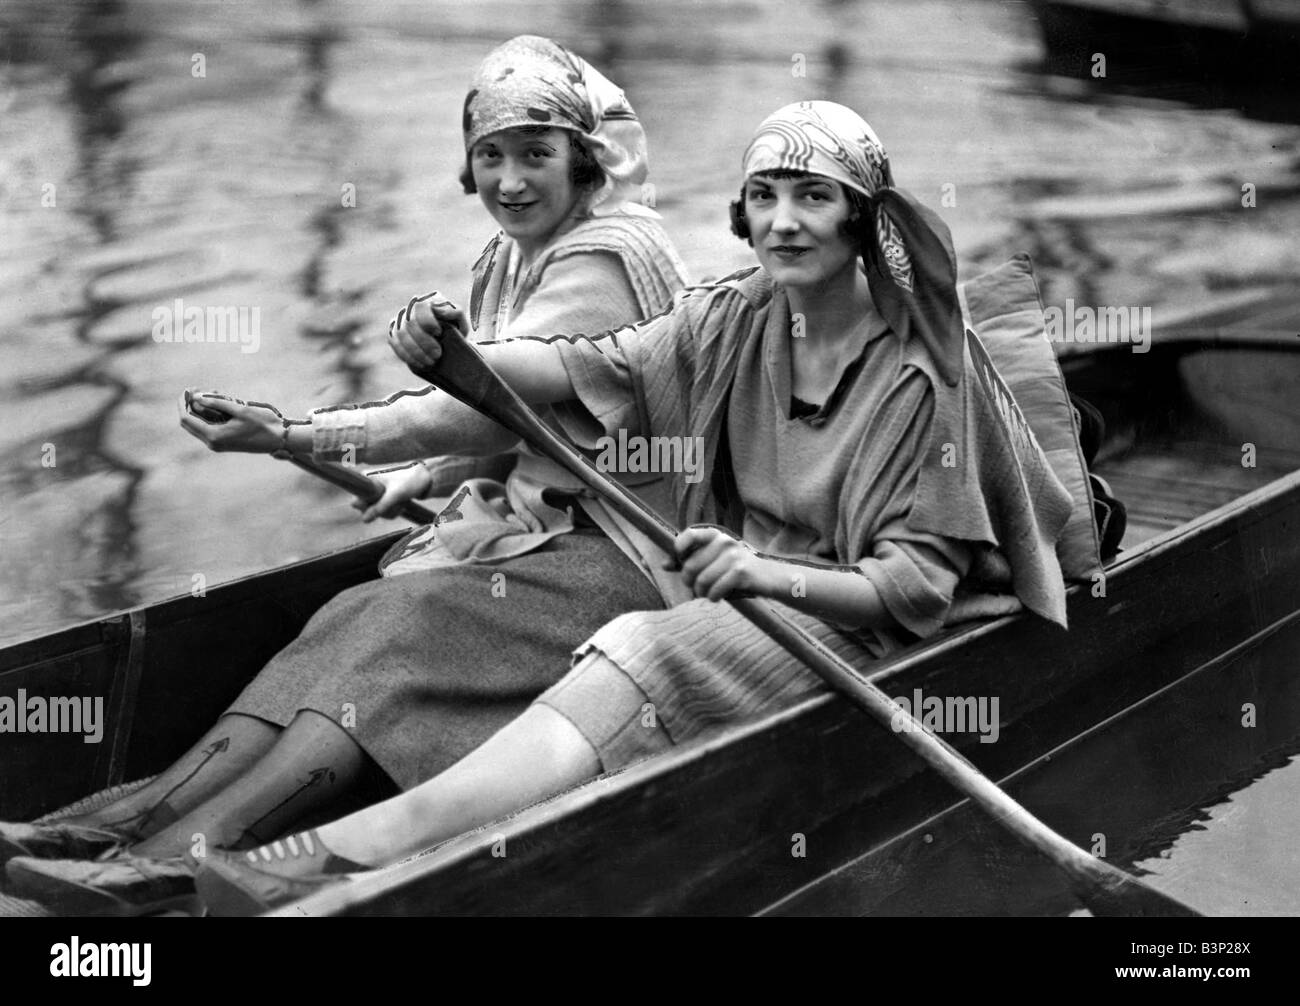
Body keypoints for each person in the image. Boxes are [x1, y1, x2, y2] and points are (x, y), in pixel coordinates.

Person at [187, 100, 1080, 915]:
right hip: (755, 593)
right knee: (632, 643)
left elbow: (912, 588)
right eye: (762, 195)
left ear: (863, 219)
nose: (781, 221)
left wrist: (760, 572)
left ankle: (349, 854)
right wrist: (465, 357)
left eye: (813, 197)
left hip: (874, 619)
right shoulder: (736, 317)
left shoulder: (921, 371)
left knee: (645, 645)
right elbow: (595, 364)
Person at [1, 35, 688, 916]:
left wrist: (294, 434)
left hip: (622, 558)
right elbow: (519, 427)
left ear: (584, 162)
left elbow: (477, 404)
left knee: (398, 625)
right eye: (490, 156)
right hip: (541, 536)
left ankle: (171, 863)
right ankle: (116, 828)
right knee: (347, 618)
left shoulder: (606, 257)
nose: (510, 180)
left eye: (534, 155)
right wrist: (433, 478)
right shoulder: (511, 256)